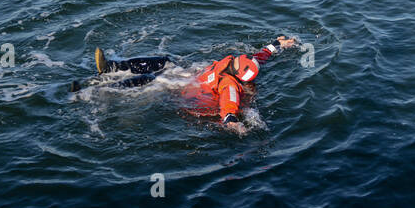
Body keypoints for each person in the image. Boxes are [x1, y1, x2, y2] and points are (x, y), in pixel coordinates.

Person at [77, 35, 299, 134]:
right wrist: (277, 44)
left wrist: (233, 123)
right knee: (164, 63)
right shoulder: (235, 73)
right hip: (188, 82)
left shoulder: (231, 75)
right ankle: (110, 69)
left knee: (156, 78)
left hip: (186, 91)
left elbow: (229, 106)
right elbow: (257, 59)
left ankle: (97, 87)